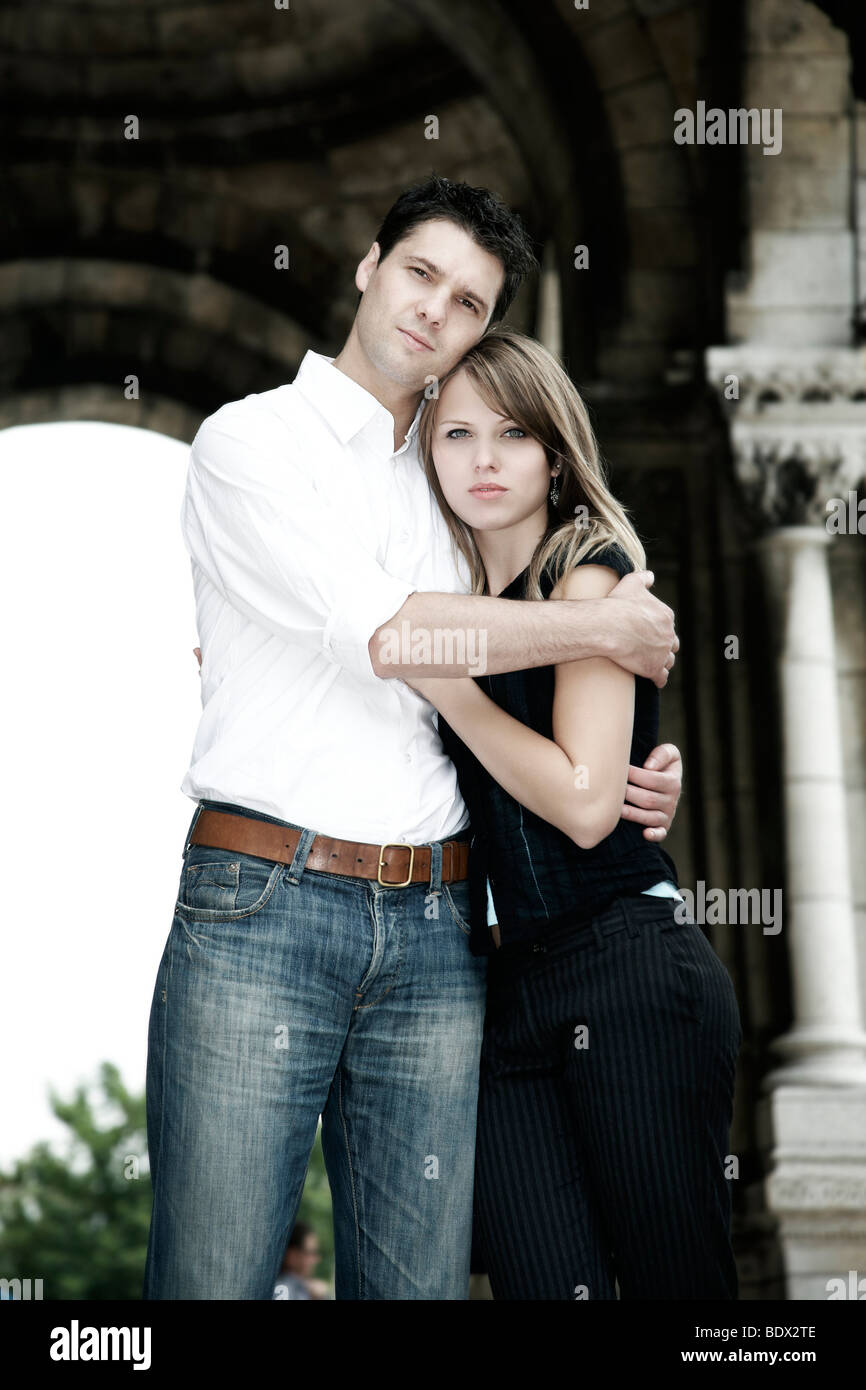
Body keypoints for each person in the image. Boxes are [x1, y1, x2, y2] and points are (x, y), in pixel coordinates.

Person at [143, 175, 683, 1302]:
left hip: (443, 933)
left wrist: (627, 758)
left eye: (471, 302)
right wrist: (602, 624)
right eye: (420, 273)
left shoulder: (457, 482)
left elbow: (519, 675)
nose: (436, 310)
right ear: (367, 267)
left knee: (419, 1290)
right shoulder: (249, 444)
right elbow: (393, 635)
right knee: (211, 1280)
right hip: (261, 907)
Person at [405, 325, 742, 1300]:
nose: (481, 461)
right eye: (456, 434)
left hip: (627, 963)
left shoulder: (587, 571)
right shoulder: (445, 592)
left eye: (509, 434)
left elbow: (589, 806)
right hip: (507, 993)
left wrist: (453, 692)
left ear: (553, 450)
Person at [273, 1222, 329, 1300]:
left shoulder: (307, 1289)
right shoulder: (283, 1289)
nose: (317, 1259)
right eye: (312, 1252)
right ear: (292, 1256)